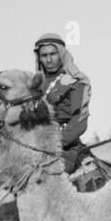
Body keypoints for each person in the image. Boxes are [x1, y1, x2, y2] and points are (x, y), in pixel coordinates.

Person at [22, 32, 91, 173]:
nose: (49, 60)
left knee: (46, 177)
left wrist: (51, 144)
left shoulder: (75, 81)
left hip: (64, 147)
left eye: (53, 54)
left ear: (62, 54)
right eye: (44, 55)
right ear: (39, 58)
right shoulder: (32, 85)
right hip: (32, 144)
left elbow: (79, 121)